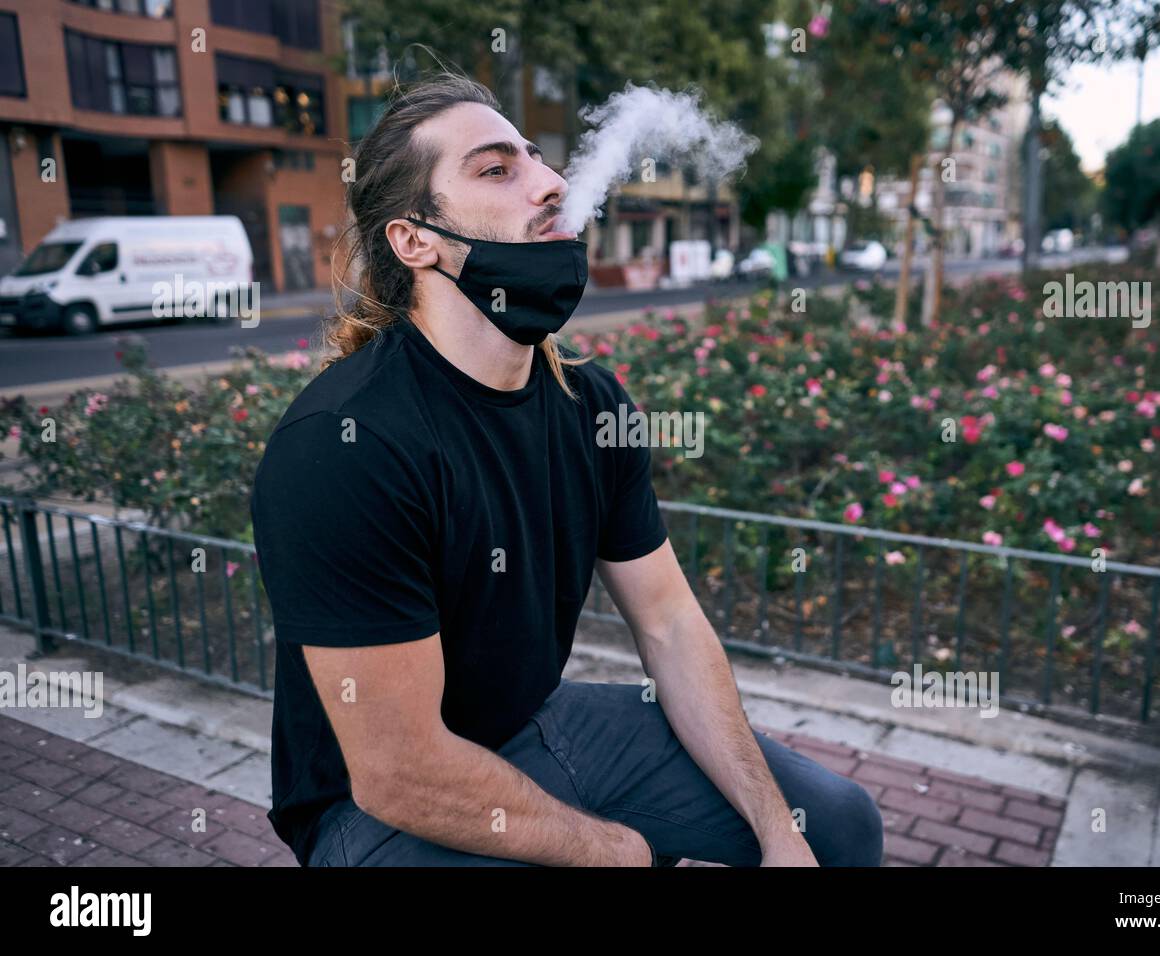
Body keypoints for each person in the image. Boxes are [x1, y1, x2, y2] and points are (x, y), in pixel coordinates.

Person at [250, 71, 884, 868]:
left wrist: (776, 830)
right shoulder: (344, 447)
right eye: (496, 169)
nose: (550, 183)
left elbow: (671, 625)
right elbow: (398, 773)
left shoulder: (591, 406)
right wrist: (615, 852)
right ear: (415, 240)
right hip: (369, 812)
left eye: (538, 160)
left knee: (839, 823)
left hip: (536, 723)